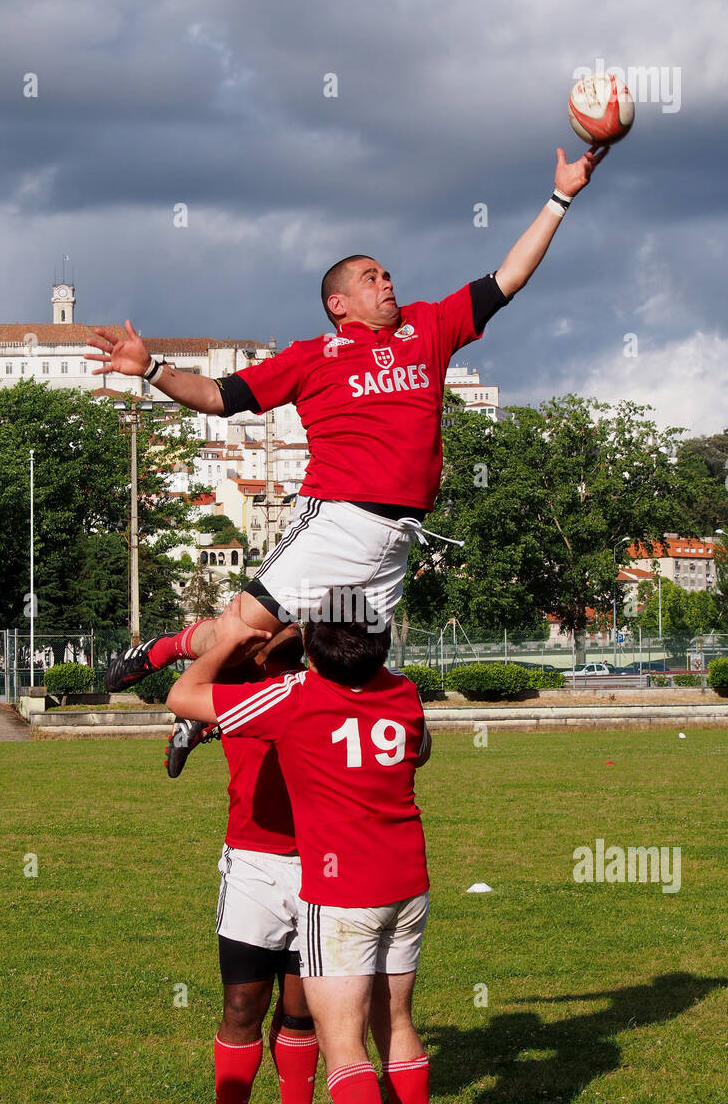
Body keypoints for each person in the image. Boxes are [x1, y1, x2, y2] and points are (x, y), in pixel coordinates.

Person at [87, 145, 608, 736]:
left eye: (387, 274)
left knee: (344, 671)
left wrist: (561, 197)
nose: (387, 282)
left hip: (399, 535)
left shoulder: (427, 326)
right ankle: (169, 655)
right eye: (371, 277)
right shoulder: (312, 357)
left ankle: (222, 710)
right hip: (340, 520)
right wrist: (153, 369)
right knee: (247, 634)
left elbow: (508, 277)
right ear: (339, 305)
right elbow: (217, 397)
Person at [167, 592, 434, 1104]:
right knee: (396, 1024)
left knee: (342, 1041)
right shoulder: (405, 695)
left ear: (313, 645)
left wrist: (231, 634)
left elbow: (185, 697)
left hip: (341, 894)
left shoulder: (297, 700)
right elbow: (420, 751)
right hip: (408, 882)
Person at [183, 622, 353, 1104]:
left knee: (302, 1010)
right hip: (254, 867)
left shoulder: (316, 689)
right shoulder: (239, 693)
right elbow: (190, 680)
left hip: (321, 865)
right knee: (241, 1006)